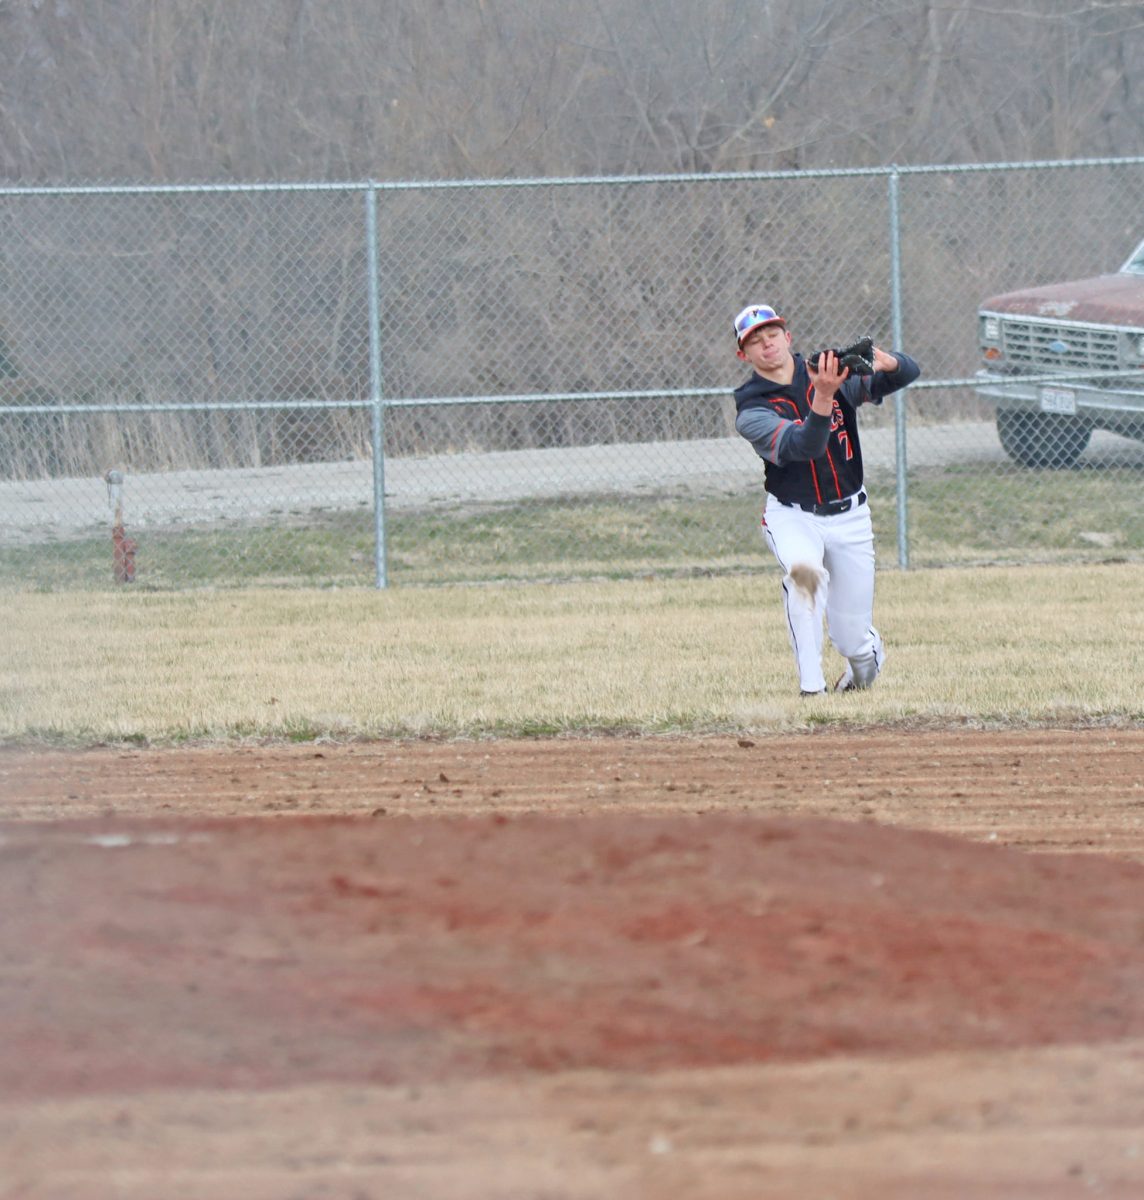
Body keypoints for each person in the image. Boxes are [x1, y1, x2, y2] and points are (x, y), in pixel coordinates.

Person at [731, 303, 920, 696]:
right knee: (805, 578)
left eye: (772, 334)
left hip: (851, 517)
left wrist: (888, 363)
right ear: (743, 354)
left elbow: (908, 373)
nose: (767, 345)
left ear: (788, 337)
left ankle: (866, 661)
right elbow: (805, 446)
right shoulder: (752, 408)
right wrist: (824, 396)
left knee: (852, 642)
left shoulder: (826, 370)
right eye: (755, 341)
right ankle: (811, 689)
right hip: (793, 516)